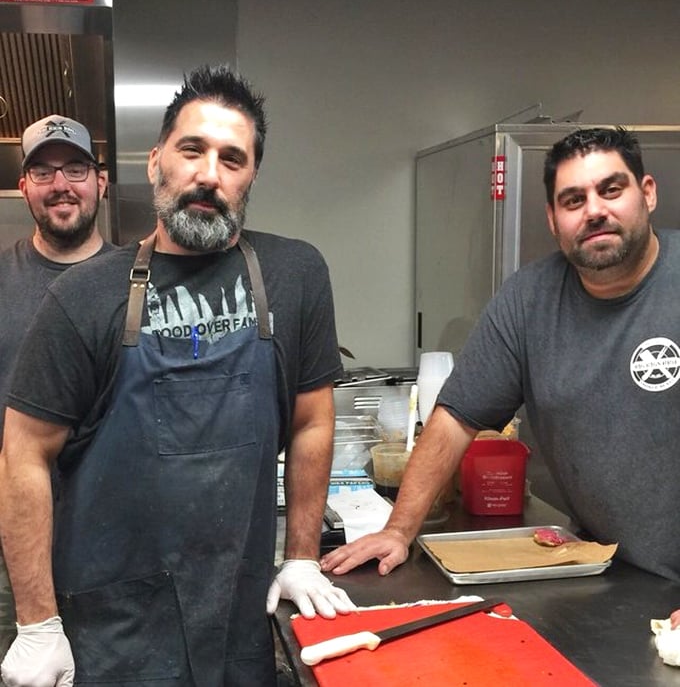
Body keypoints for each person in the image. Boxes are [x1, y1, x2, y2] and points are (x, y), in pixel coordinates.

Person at [0, 66, 354, 687]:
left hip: (241, 611)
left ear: (251, 177)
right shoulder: (84, 296)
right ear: (157, 160)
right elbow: (23, 452)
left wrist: (301, 557)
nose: (208, 174)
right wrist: (37, 623)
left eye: (232, 158)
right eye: (192, 149)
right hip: (115, 627)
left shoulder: (295, 275)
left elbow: (311, 419)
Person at [321, 126, 680, 590]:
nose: (595, 211)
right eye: (573, 200)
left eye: (611, 190)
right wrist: (398, 530)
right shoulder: (529, 299)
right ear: (553, 219)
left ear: (647, 193)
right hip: (613, 570)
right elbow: (454, 419)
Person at [0, 114, 113, 665]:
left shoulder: (138, 278)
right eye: (42, 173)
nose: (61, 185)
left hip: (119, 541)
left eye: (75, 168)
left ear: (101, 182)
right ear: (24, 188)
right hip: (16, 548)